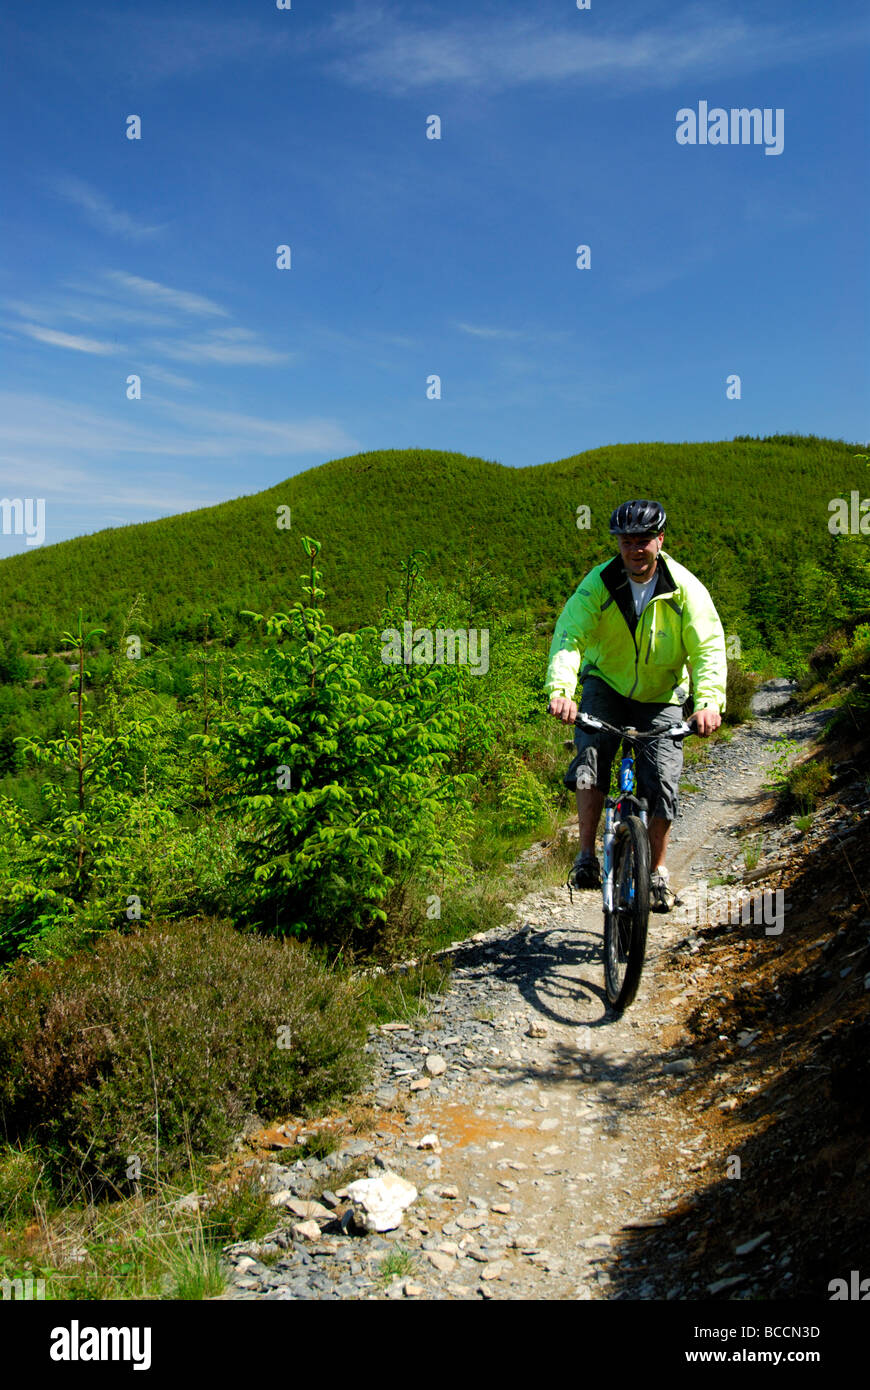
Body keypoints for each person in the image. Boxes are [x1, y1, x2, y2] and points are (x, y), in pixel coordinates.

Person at [545, 499, 727, 911]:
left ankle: (657, 871)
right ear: (619, 544)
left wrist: (710, 702)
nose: (634, 549)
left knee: (661, 779)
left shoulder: (685, 589)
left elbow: (708, 647)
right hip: (605, 685)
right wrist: (561, 691)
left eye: (643, 540)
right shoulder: (600, 583)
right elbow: (569, 635)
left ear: (659, 540)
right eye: (626, 541)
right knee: (590, 761)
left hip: (661, 693)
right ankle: (586, 856)